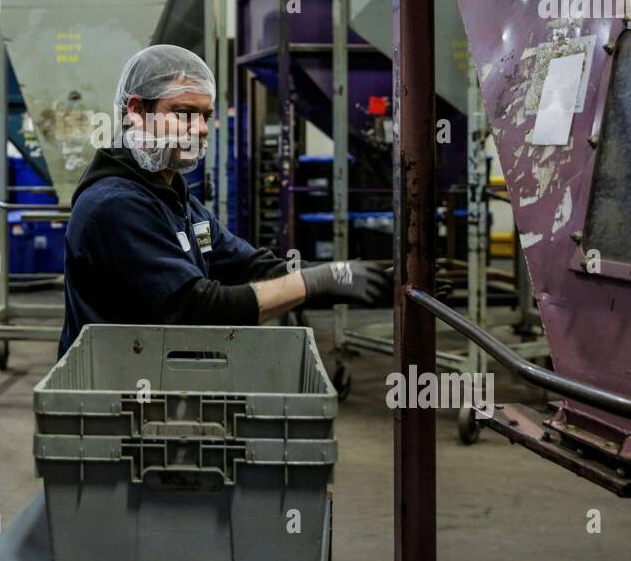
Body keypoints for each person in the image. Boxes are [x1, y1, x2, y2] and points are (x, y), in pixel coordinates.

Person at [58, 44, 386, 357]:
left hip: (164, 384)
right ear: (137, 111)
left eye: (206, 115)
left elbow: (252, 268)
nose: (201, 129)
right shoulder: (114, 205)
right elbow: (196, 310)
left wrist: (355, 278)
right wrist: (314, 282)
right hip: (115, 395)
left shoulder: (179, 200)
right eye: (185, 113)